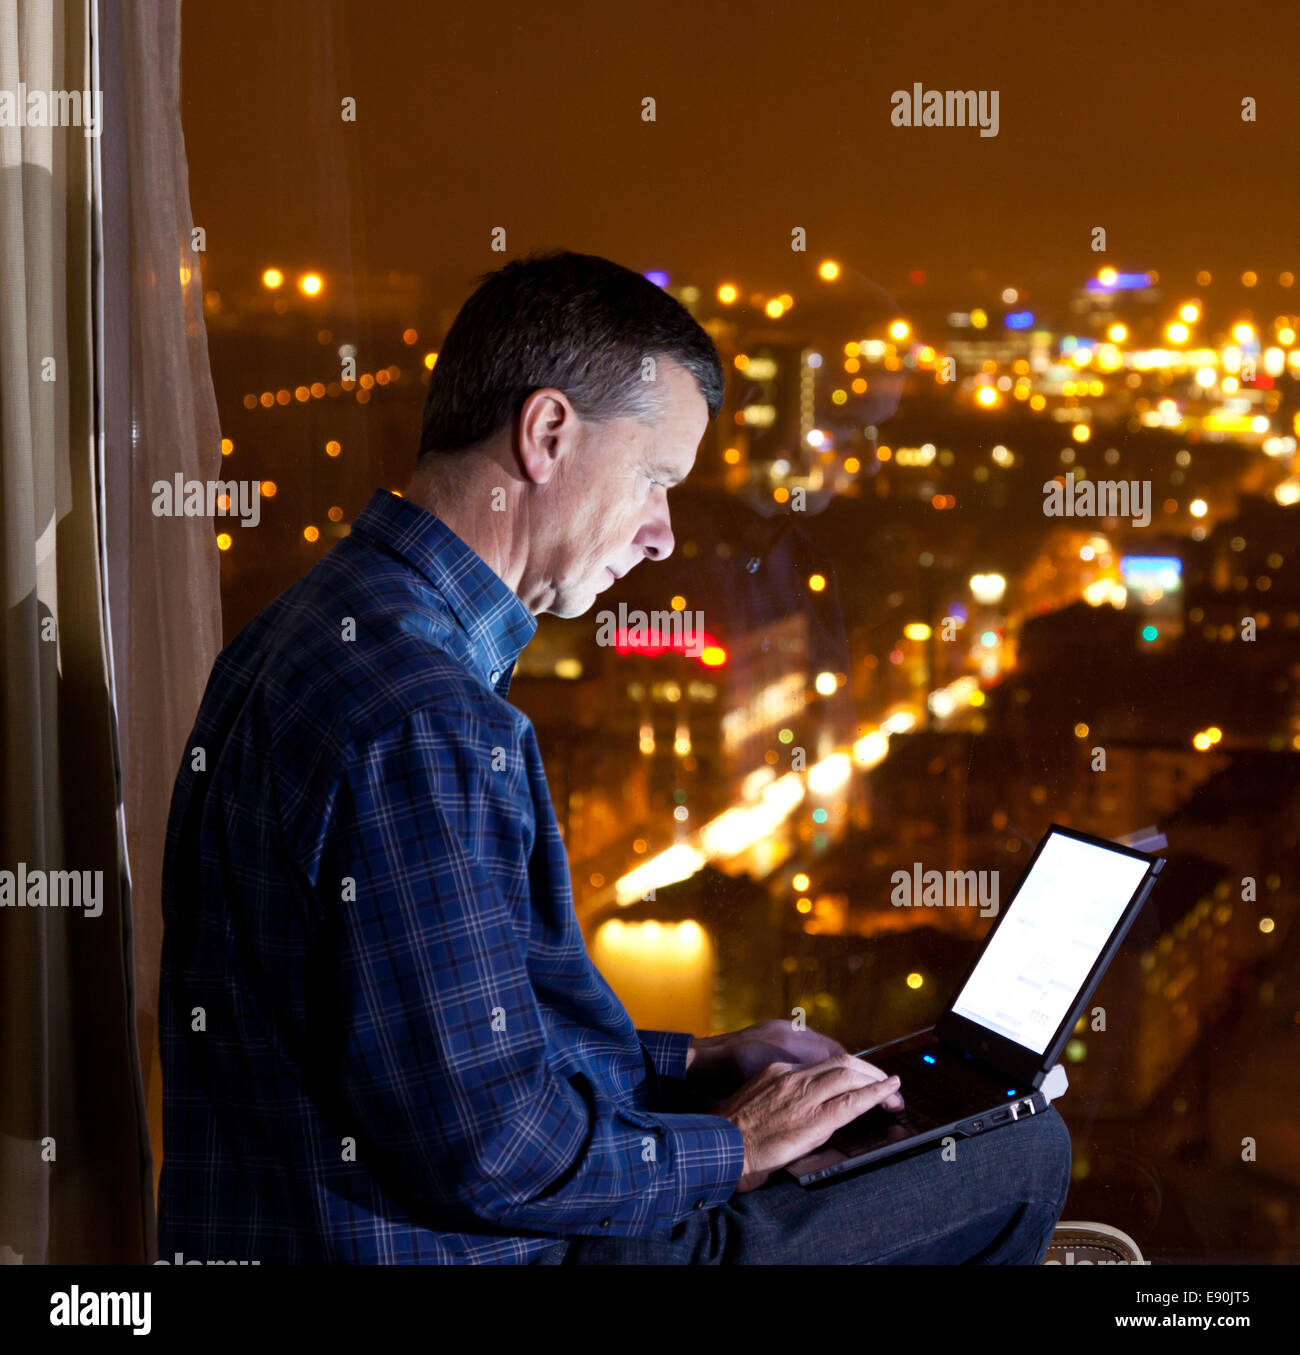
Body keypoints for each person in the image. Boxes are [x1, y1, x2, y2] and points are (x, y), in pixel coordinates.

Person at [157, 249, 1070, 1264]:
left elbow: (431, 1052)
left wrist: (694, 1062)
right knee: (1012, 1152)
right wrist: (739, 1141)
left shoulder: (311, 632)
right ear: (547, 433)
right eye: (654, 478)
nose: (663, 534)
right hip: (475, 1251)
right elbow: (491, 1152)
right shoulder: (421, 715)